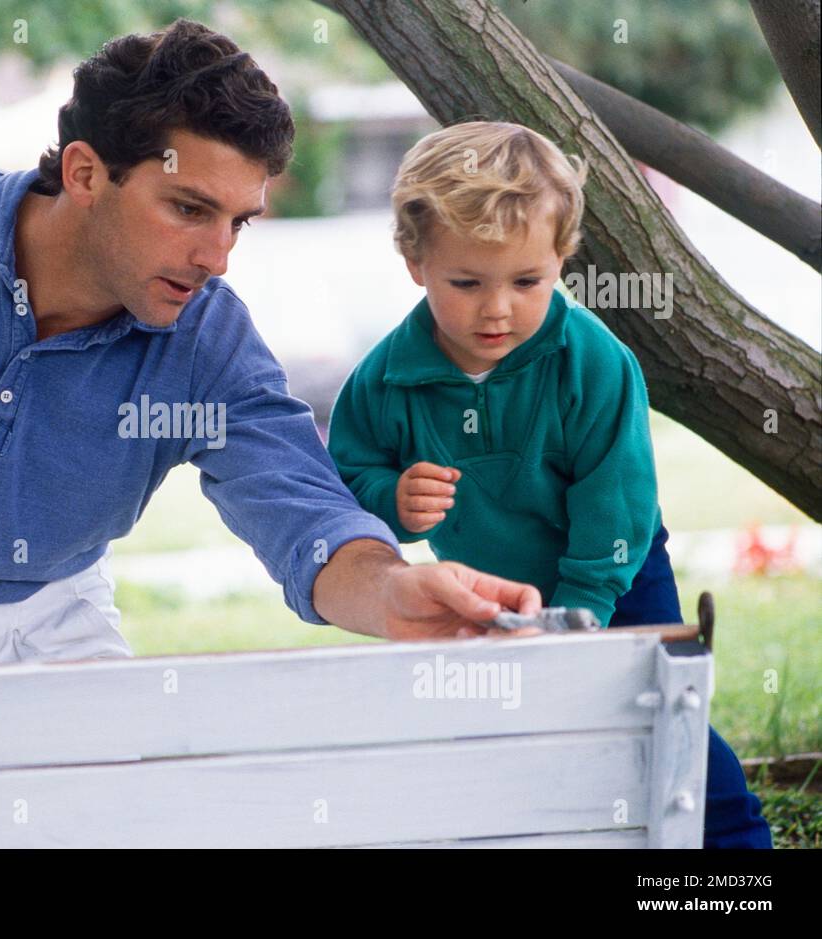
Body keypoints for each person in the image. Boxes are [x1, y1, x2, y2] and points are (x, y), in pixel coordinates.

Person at [0, 21, 543, 677]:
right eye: (189, 209)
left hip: (58, 628)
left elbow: (310, 518)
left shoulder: (209, 340)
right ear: (89, 174)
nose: (218, 257)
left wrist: (396, 593)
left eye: (238, 221)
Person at [326, 120, 772, 849]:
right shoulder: (387, 379)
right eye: (467, 282)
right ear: (416, 262)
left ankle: (733, 849)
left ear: (562, 258)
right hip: (484, 587)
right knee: (513, 734)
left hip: (615, 573)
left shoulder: (592, 362)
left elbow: (615, 500)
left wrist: (582, 614)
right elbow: (350, 471)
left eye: (527, 281)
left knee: (657, 715)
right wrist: (392, 497)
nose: (497, 308)